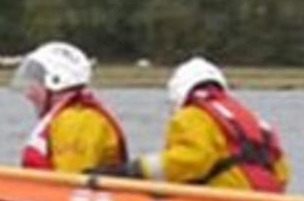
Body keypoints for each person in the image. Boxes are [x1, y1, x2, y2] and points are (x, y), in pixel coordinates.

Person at [118, 57, 289, 192]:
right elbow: (282, 171)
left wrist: (135, 169)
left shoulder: (192, 115)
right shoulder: (253, 119)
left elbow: (192, 159)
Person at [10, 41, 127, 174]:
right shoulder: (67, 118)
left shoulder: (77, 121)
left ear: (56, 81)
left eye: (35, 85)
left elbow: (70, 182)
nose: (28, 94)